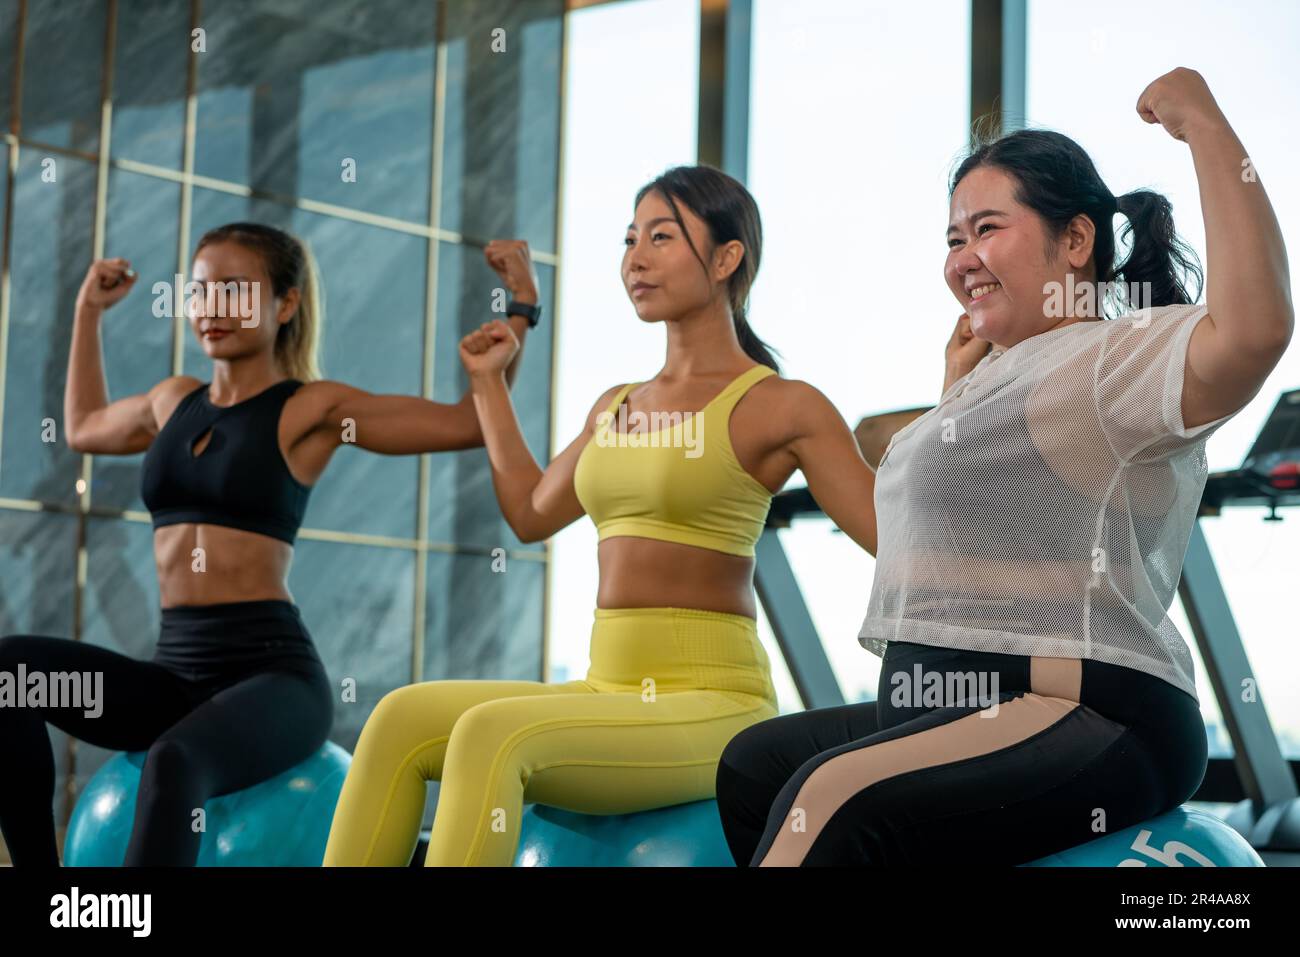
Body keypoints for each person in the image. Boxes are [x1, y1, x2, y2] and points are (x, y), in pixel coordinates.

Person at [716, 67, 1293, 866]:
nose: (963, 259)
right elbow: (975, 532)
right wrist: (955, 397)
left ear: (1078, 239)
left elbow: (1256, 326)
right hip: (946, 699)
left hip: (1083, 708)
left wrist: (1203, 122)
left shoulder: (1110, 355)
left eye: (987, 229)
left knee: (831, 801)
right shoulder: (1001, 373)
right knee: (752, 765)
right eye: (954, 239)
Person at [322, 165, 881, 866]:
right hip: (609, 684)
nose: (635, 259)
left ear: (727, 258)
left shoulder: (783, 405)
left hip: (713, 700)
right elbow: (529, 512)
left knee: (492, 736)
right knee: (399, 717)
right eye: (629, 239)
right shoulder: (616, 404)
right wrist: (489, 386)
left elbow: (890, 539)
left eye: (662, 237)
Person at [0, 222, 539, 866]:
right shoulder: (173, 402)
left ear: (286, 305)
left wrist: (521, 311)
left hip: (272, 678)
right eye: (201, 292)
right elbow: (86, 426)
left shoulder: (310, 410)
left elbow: (464, 422)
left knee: (175, 761)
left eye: (235, 289)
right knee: (12, 674)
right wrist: (88, 311)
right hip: (175, 674)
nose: (213, 308)